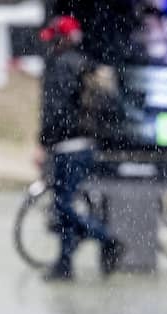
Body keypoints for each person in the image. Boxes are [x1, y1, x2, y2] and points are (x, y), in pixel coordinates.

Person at [37, 15, 122, 281]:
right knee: (65, 204)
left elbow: (55, 111)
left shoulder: (61, 66)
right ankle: (64, 264)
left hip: (67, 147)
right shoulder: (87, 66)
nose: (51, 46)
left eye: (55, 40)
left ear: (63, 40)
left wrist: (43, 142)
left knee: (64, 206)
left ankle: (106, 239)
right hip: (85, 145)